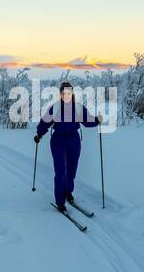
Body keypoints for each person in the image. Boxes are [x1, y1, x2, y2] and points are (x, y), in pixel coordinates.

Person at [34, 81, 102, 213]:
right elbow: (44, 122)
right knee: (61, 171)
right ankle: (60, 201)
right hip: (58, 140)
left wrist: (96, 120)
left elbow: (87, 121)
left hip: (74, 141)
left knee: (71, 170)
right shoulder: (55, 108)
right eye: (64, 92)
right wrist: (39, 134)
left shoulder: (78, 108)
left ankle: (67, 192)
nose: (67, 95)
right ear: (61, 94)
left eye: (69, 92)